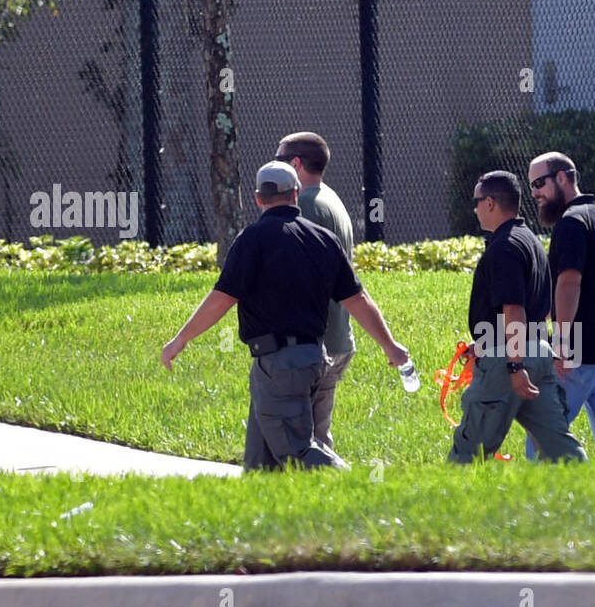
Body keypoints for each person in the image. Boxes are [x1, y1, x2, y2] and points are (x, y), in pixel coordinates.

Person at [160, 160, 409, 471]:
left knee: (298, 452)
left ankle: (356, 488)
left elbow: (221, 299)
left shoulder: (252, 240)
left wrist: (181, 339)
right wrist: (390, 345)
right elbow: (357, 299)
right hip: (311, 358)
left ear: (257, 198)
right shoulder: (322, 240)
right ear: (295, 194)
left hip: (278, 365)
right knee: (260, 463)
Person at [449, 170, 587, 465]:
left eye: (476, 202)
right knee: (561, 451)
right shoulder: (532, 242)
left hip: (510, 361)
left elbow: (513, 310)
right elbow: (539, 309)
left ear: (489, 203)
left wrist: (514, 365)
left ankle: (449, 508)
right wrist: (484, 345)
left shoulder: (505, 248)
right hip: (539, 353)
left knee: (469, 453)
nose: (474, 209)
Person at [526, 150, 595, 459]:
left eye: (539, 183)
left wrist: (562, 341)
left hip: (582, 352)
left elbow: (570, 283)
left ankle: (539, 498)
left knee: (543, 428)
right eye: (531, 185)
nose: (535, 192)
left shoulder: (571, 223)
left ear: (562, 177)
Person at [276, 130, 355, 451]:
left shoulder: (306, 205)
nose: (274, 166)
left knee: (298, 444)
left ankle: (340, 482)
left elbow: (300, 276)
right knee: (317, 440)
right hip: (337, 336)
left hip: (315, 343)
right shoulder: (330, 198)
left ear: (296, 164)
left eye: (279, 160)